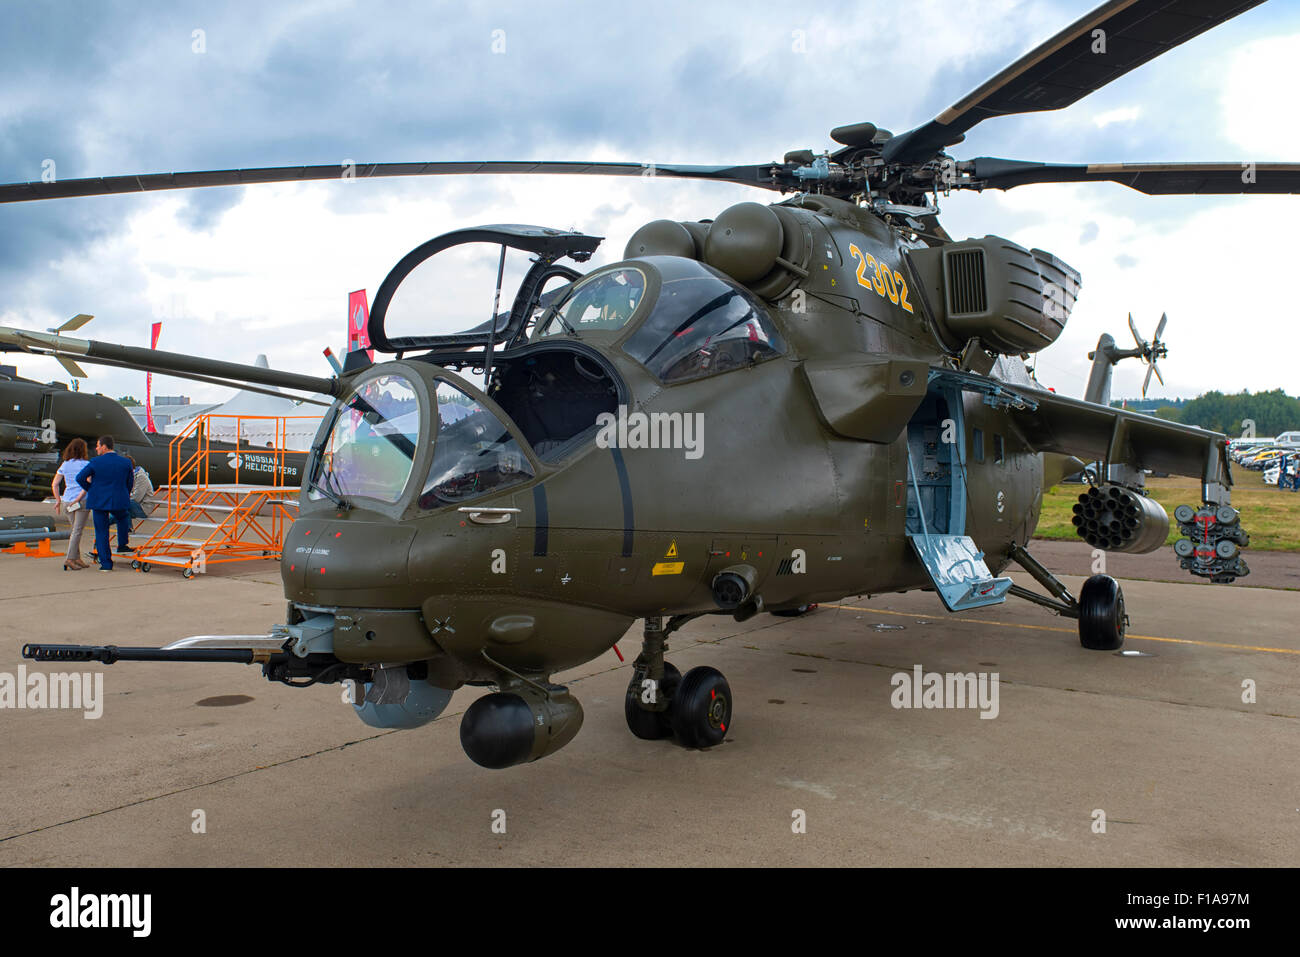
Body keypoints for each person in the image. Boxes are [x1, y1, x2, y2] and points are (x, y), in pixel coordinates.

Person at [76, 435, 135, 571]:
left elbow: (80, 478)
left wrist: (91, 489)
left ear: (104, 446)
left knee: (101, 532)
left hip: (98, 501)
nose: (96, 449)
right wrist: (123, 492)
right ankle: (122, 544)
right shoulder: (125, 462)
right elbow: (130, 482)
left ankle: (106, 564)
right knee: (123, 517)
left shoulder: (95, 462)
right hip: (119, 499)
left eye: (97, 446)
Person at [52, 438, 91, 570]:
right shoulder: (87, 464)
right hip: (81, 501)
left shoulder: (65, 464)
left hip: (67, 500)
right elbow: (88, 484)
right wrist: (79, 498)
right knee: (77, 531)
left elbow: (55, 484)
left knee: (75, 530)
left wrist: (58, 500)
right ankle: (69, 558)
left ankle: (76, 558)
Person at [125, 455, 154, 521]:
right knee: (120, 510)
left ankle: (105, 524)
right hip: (133, 504)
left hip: (143, 508)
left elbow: (136, 498)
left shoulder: (141, 477)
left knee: (120, 505)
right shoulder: (128, 476)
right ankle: (127, 529)